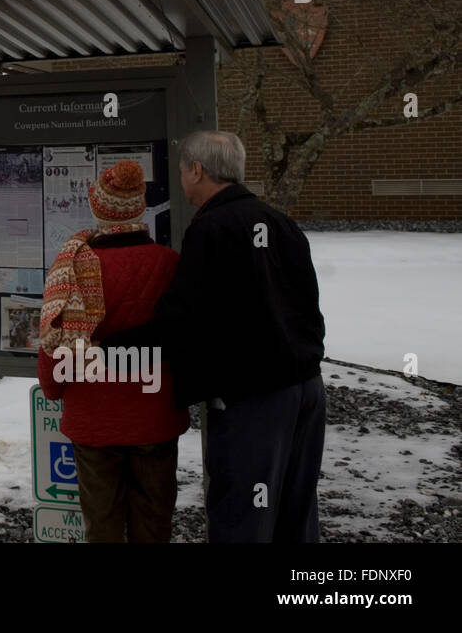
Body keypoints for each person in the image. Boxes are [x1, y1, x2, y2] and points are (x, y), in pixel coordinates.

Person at [101, 131, 326, 543]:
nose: (182, 179)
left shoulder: (213, 229)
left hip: (253, 399)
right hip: (307, 390)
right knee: (294, 510)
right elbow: (306, 307)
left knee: (243, 515)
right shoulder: (280, 222)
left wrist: (109, 347)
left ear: (197, 170)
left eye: (183, 170)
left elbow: (183, 319)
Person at [37, 159, 187, 542]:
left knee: (101, 524)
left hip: (93, 418)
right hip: (156, 415)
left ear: (98, 209)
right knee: (154, 522)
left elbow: (54, 345)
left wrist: (54, 389)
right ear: (139, 208)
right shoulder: (171, 265)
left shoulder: (70, 266)